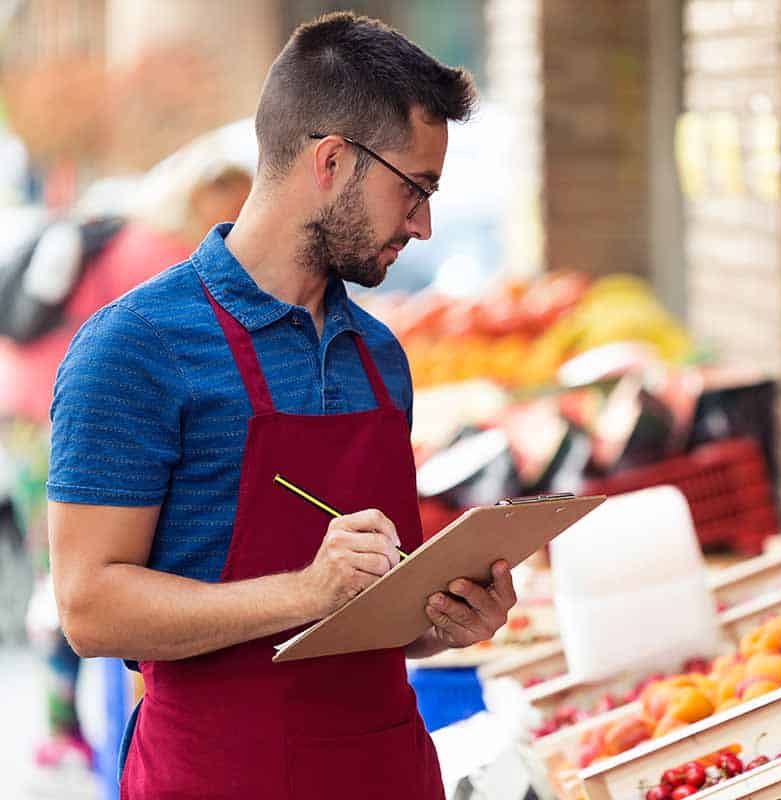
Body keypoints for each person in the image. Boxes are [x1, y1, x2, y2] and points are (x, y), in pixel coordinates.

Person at [46, 12, 515, 799]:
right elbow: (89, 606)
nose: (425, 225)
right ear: (332, 161)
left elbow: (370, 608)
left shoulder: (381, 357)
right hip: (219, 773)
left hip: (386, 768)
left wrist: (442, 619)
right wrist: (306, 591)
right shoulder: (136, 348)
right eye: (414, 189)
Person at [0, 129, 252, 788]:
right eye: (236, 199)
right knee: (77, 578)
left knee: (60, 571)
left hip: (27, 408)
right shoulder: (160, 257)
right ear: (208, 199)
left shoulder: (128, 238)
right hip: (58, 417)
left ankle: (63, 729)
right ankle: (63, 730)